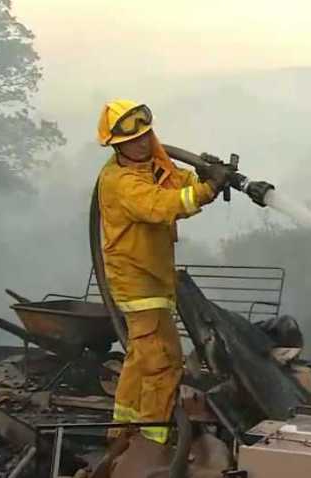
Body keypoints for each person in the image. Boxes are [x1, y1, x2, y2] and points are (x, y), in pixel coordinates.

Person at [95, 99, 229, 446]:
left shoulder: (147, 165)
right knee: (163, 361)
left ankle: (122, 429)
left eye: (145, 135)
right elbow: (163, 205)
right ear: (116, 145)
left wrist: (202, 173)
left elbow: (173, 180)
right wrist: (208, 190)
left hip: (152, 278)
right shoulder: (120, 182)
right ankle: (154, 441)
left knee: (140, 357)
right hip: (138, 282)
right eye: (131, 140)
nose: (141, 143)